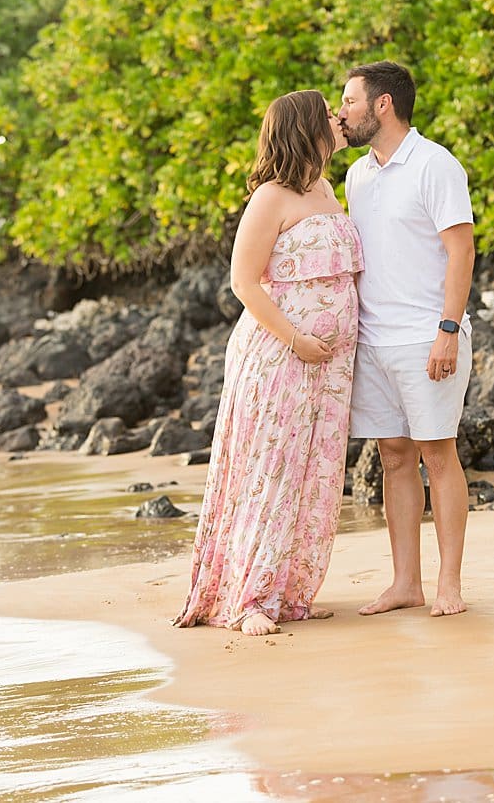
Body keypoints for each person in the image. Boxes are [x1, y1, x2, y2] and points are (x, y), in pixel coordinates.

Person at [174, 89, 364, 636]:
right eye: (328, 113)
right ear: (306, 127)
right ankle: (249, 597)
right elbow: (244, 284)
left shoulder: (327, 189)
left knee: (317, 471)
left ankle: (290, 592)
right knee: (271, 468)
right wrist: (297, 339)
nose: (338, 119)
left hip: (330, 366)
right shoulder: (271, 198)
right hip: (279, 354)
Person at [338, 61, 475, 618]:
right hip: (373, 342)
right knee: (393, 456)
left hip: (427, 337)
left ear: (382, 104)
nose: (340, 113)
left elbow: (461, 251)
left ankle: (449, 585)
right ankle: (405, 583)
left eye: (348, 101)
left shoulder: (435, 164)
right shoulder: (357, 175)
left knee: (438, 455)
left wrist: (447, 330)